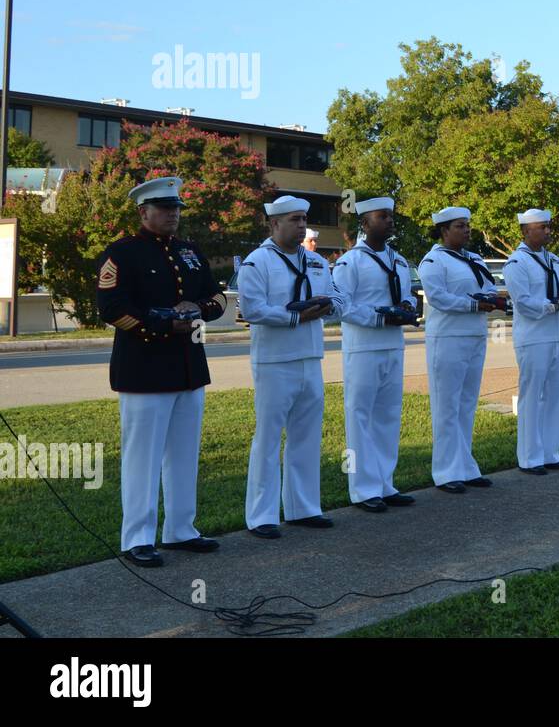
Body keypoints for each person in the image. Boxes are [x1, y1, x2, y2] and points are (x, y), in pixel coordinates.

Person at [94, 176, 225, 568]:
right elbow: (112, 309)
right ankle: (137, 537)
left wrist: (197, 308)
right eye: (165, 209)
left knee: (184, 454)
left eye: (177, 208)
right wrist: (164, 324)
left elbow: (217, 297)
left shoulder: (189, 250)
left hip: (189, 368)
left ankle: (181, 529)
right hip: (144, 370)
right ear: (143, 212)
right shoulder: (122, 253)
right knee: (143, 458)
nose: (173, 214)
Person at [239, 194, 343, 537]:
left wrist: (329, 305)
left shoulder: (316, 263)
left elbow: (335, 296)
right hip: (275, 361)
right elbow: (253, 310)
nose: (301, 226)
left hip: (310, 357)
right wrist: (295, 315)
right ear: (274, 224)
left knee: (307, 436)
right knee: (267, 438)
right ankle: (262, 515)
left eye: (303, 220)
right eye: (294, 220)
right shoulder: (258, 262)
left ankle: (303, 507)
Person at [332, 196, 417, 512]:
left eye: (391, 216)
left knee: (388, 416)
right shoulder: (350, 261)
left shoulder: (398, 260)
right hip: (363, 347)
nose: (390, 221)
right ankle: (362, 489)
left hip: (393, 345)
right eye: (383, 217)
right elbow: (342, 305)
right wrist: (380, 317)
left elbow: (406, 294)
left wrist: (407, 307)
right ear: (365, 223)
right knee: (359, 417)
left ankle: (385, 483)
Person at [418, 206, 498, 493]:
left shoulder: (474, 258)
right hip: (448, 339)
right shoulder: (433, 261)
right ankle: (445, 472)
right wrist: (474, 303)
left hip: (474, 335)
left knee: (467, 404)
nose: (467, 230)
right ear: (444, 230)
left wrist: (489, 299)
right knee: (447, 406)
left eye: (467, 225)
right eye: (460, 226)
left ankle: (465, 466)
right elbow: (439, 298)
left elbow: (489, 286)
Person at [502, 208, 559, 474]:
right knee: (532, 396)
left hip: (553, 335)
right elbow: (523, 303)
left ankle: (550, 453)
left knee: (555, 396)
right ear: (526, 231)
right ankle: (529, 458)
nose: (548, 231)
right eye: (541, 227)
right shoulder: (516, 263)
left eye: (548, 226)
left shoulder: (555, 261)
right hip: (531, 337)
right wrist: (555, 305)